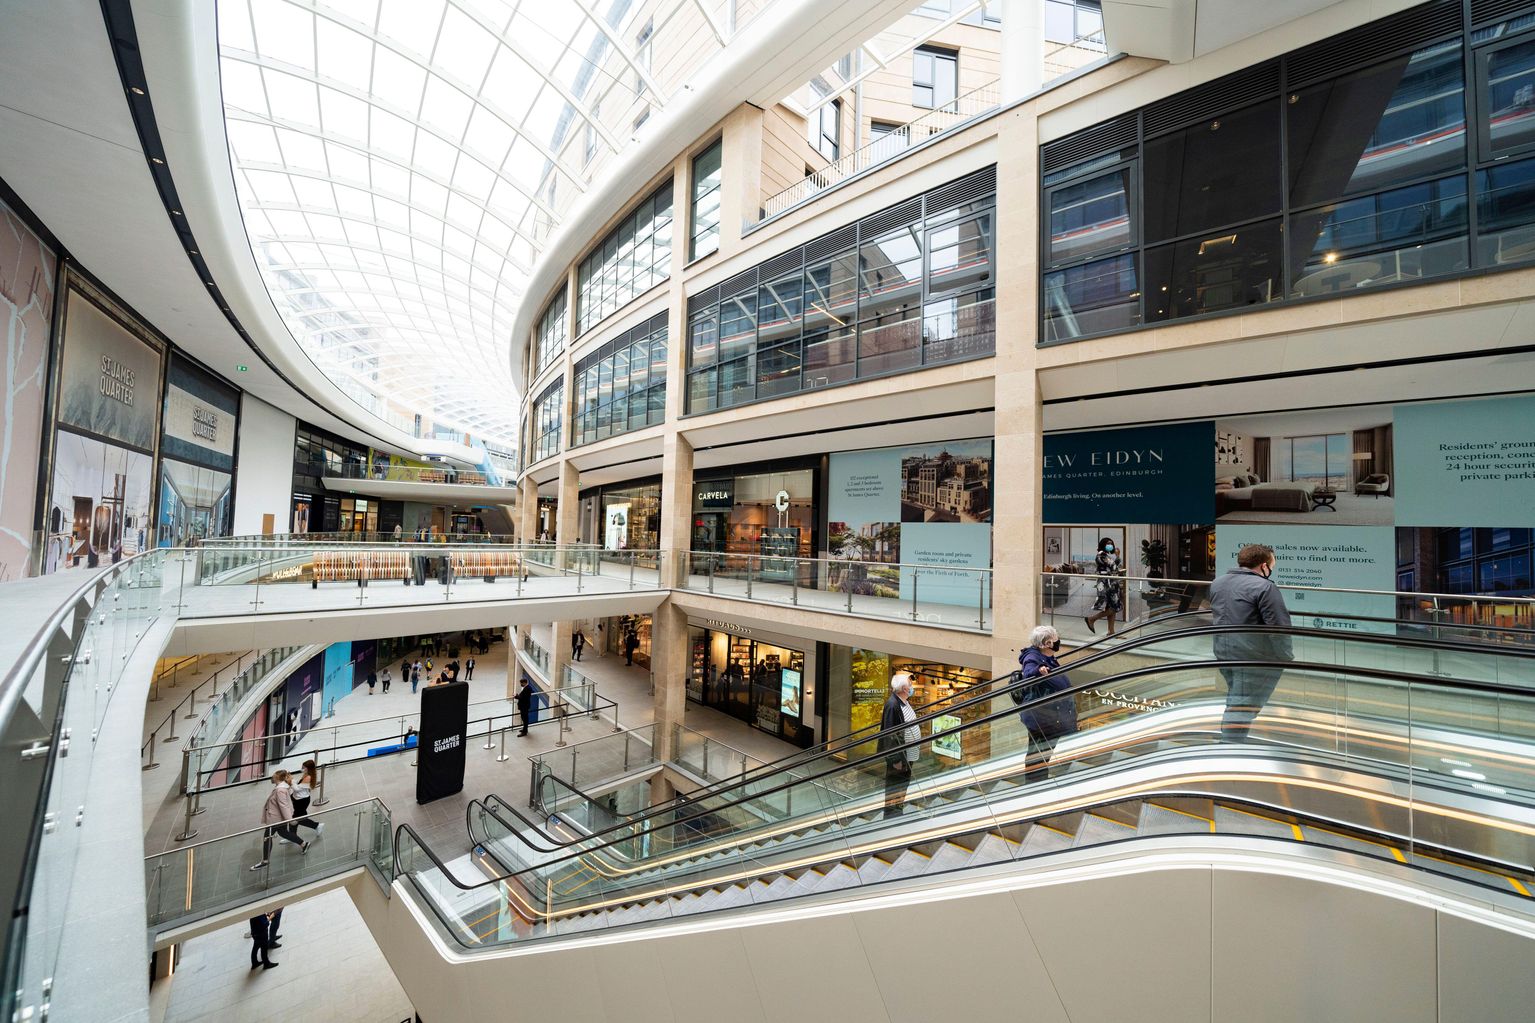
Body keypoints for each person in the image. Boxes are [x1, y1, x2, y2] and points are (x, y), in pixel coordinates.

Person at [1209, 543, 1293, 740]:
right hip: (1253, 658)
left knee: (1235, 700)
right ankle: (1230, 749)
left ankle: (1228, 741)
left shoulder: (1218, 582)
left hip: (1223, 653)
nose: (1272, 570)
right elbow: (1279, 628)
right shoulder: (1265, 587)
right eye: (1272, 565)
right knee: (1243, 707)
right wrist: (1285, 657)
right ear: (1263, 565)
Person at [1014, 626, 1079, 781]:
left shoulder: (1047, 656)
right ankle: (1035, 785)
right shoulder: (1033, 658)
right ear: (1047, 643)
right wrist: (1038, 670)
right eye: (1056, 639)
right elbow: (1028, 671)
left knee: (1042, 752)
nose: (1058, 642)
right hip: (1044, 718)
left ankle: (1039, 781)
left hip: (1051, 717)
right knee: (1038, 753)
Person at [877, 673, 921, 819]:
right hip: (899, 760)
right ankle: (892, 816)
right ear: (903, 688)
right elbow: (890, 734)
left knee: (903, 786)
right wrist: (895, 760)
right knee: (895, 787)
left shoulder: (903, 702)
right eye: (910, 684)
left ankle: (897, 812)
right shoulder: (893, 705)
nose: (912, 686)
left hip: (907, 757)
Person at [251, 769, 308, 870]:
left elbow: (284, 806)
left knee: (267, 837)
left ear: (277, 778)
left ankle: (265, 861)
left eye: (273, 776)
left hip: (275, 819)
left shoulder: (280, 790)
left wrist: (289, 820)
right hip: (278, 817)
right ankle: (303, 844)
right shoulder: (281, 788)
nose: (271, 777)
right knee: (283, 833)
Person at [1083, 537, 1124, 635]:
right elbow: (1114, 567)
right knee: (1114, 607)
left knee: (1111, 607)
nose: (1110, 545)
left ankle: (1111, 632)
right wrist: (1117, 556)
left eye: (1111, 544)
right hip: (1106, 583)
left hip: (1110, 582)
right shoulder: (1101, 555)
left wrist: (1116, 560)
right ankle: (1091, 619)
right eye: (1108, 544)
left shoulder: (1105, 555)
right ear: (1103, 545)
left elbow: (1113, 566)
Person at [289, 760, 325, 835]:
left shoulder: (308, 777)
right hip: (299, 799)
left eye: (303, 767)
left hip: (302, 801)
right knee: (297, 818)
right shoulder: (306, 775)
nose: (301, 768)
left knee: (297, 819)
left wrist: (291, 781)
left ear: (308, 768)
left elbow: (297, 789)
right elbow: (299, 785)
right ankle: (292, 835)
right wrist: (293, 781)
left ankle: (317, 825)